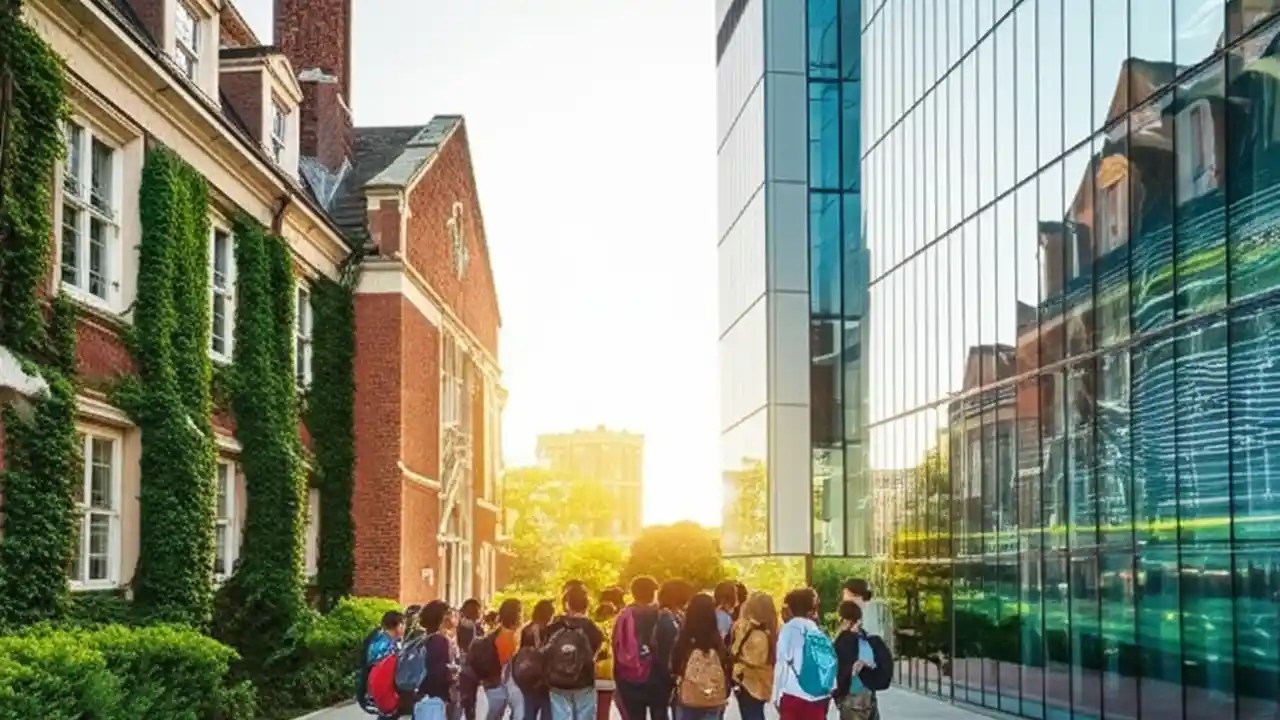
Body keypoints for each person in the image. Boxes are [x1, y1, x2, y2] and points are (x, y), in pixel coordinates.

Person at [772, 589, 836, 720]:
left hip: (794, 695)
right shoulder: (818, 631)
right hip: (819, 696)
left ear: (790, 608)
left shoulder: (789, 630)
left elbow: (782, 664)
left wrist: (776, 696)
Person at [544, 584, 606, 720]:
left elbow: (546, 650)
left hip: (557, 682)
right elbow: (595, 654)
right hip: (584, 681)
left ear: (566, 604)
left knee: (560, 715)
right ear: (586, 605)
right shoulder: (593, 629)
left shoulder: (554, 626)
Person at [613, 576, 670, 720]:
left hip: (629, 677)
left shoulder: (623, 616)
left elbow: (616, 646)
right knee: (660, 715)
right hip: (658, 676)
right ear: (654, 593)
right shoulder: (662, 615)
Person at [670, 594, 732, 720]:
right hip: (714, 698)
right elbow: (727, 664)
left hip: (688, 697)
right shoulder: (717, 641)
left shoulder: (684, 639)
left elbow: (674, 665)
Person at [729, 593, 776, 720]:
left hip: (747, 682)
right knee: (756, 713)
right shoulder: (774, 630)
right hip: (765, 681)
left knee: (750, 714)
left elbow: (736, 651)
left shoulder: (745, 628)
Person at [414, 601, 459, 720]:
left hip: (425, 694)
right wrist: (444, 697)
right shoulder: (439, 641)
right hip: (435, 697)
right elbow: (437, 673)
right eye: (449, 613)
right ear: (442, 617)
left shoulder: (427, 637)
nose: (453, 616)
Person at [833, 602, 876, 720]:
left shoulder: (844, 639)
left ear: (844, 619)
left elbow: (842, 672)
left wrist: (838, 695)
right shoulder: (865, 638)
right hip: (868, 696)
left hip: (852, 697)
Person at [517, 599, 557, 720]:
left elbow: (522, 652)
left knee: (529, 711)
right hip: (545, 678)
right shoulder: (550, 630)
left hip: (528, 677)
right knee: (547, 713)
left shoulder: (526, 629)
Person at [841, 579, 893, 653]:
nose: (843, 598)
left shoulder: (870, 609)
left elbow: (870, 638)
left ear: (853, 594)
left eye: (845, 594)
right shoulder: (856, 613)